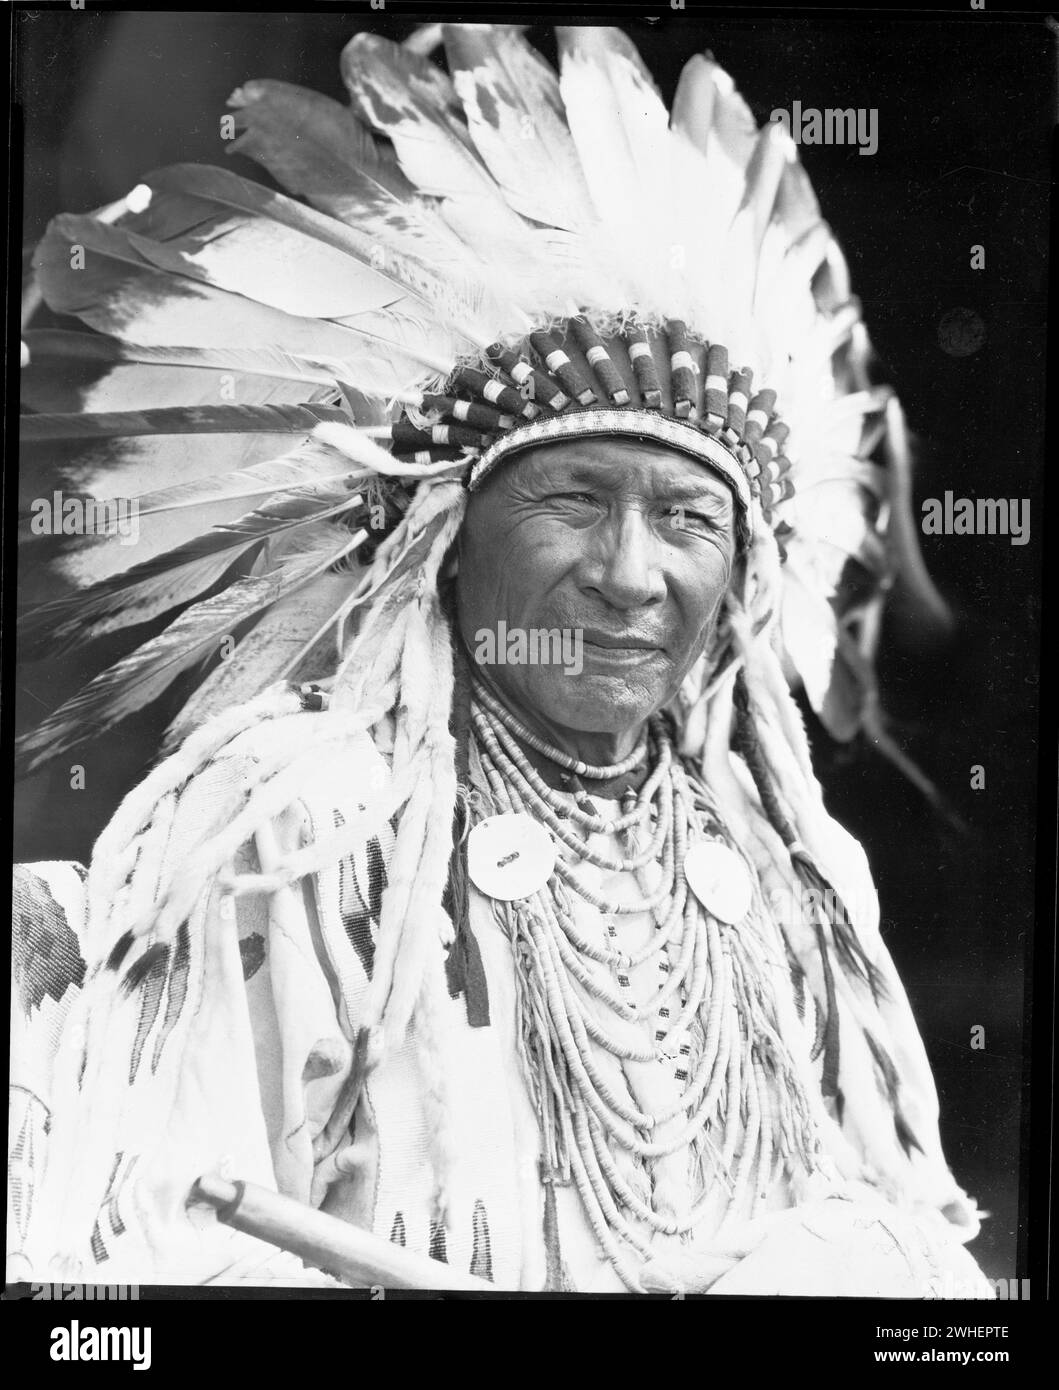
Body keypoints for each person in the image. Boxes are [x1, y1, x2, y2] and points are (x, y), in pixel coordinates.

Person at [11, 23, 991, 1295]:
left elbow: (913, 1250)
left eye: (687, 519)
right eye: (576, 499)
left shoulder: (793, 872)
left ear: (743, 573)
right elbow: (149, 1252)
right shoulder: (297, 826)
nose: (632, 573)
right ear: (446, 540)